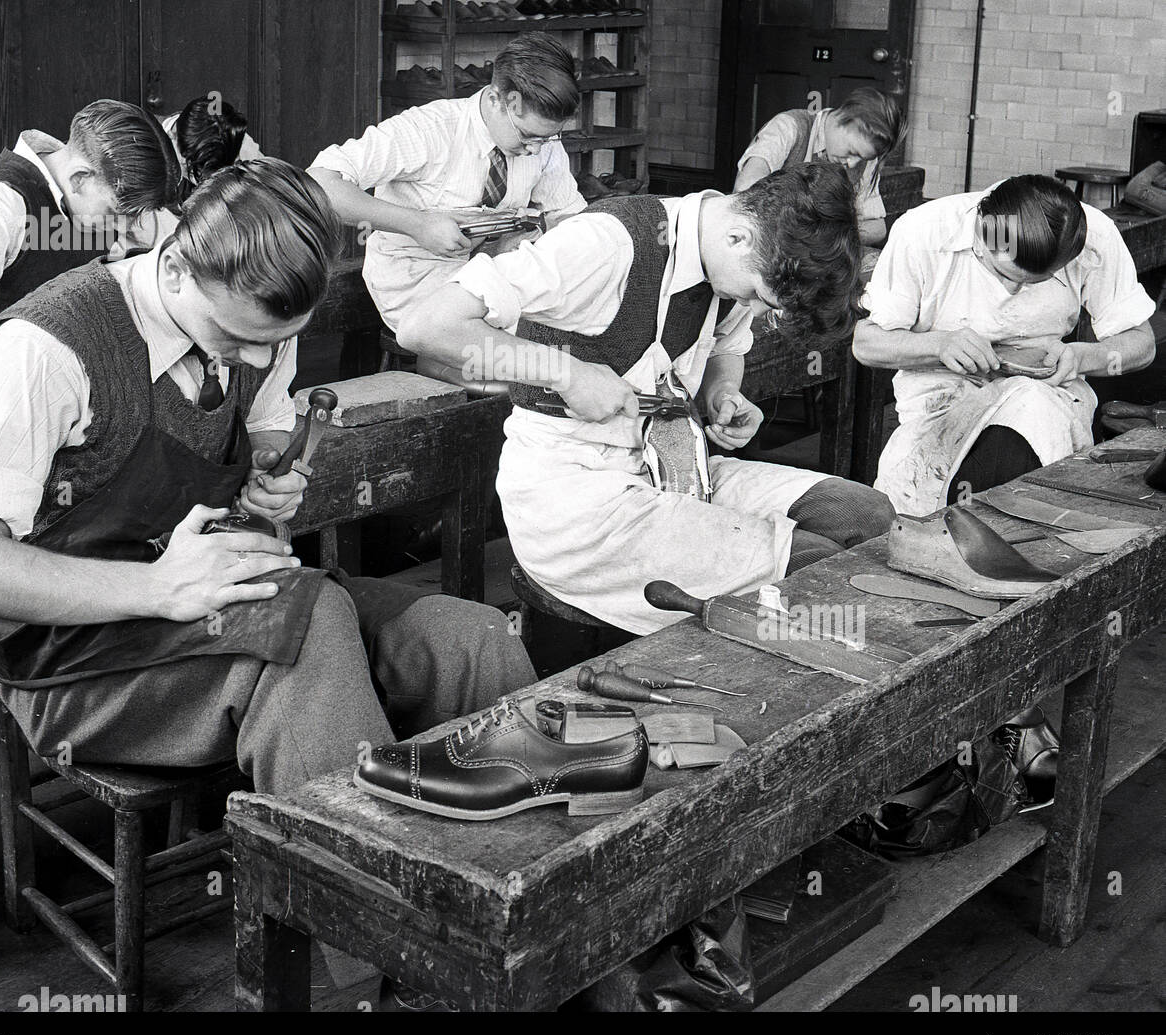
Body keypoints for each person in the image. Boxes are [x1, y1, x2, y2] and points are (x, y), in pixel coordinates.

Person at [0, 160, 534, 796]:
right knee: (310, 627)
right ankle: (355, 877)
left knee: (473, 642)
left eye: (280, 340)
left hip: (222, 599)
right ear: (178, 266)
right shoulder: (45, 349)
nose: (262, 359)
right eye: (239, 338)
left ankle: (507, 872)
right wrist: (160, 588)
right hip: (70, 657)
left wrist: (264, 470)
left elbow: (262, 430)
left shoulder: (257, 323)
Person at [398, 162, 896, 636]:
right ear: (739, 236)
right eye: (757, 295)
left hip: (678, 471)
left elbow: (727, 350)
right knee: (812, 574)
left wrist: (724, 393)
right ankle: (788, 693)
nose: (749, 306)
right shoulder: (605, 241)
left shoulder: (736, 259)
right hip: (576, 498)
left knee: (867, 517)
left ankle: (840, 650)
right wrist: (565, 373)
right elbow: (426, 326)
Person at [852, 174, 1155, 516]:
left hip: (1048, 396)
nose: (1012, 292)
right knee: (922, 507)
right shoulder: (925, 231)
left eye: (1032, 283)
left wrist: (1083, 356)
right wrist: (939, 345)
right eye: (1005, 275)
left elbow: (1142, 344)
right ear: (981, 234)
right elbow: (866, 345)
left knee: (1031, 422)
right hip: (941, 403)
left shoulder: (1094, 238)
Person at [307, 32, 586, 335]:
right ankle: (447, 366)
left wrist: (547, 236)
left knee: (577, 316)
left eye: (548, 138)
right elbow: (319, 184)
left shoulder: (542, 141)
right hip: (417, 279)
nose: (535, 149)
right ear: (496, 100)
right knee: (530, 338)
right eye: (528, 136)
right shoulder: (430, 130)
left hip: (492, 271)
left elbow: (567, 214)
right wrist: (418, 224)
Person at [0, 100, 181, 378]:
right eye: (117, 212)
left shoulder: (91, 197)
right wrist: (67, 378)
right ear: (79, 178)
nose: (126, 227)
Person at [735, 88, 907, 264]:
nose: (853, 163)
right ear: (843, 117)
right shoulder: (789, 126)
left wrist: (825, 235)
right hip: (756, 257)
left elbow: (877, 228)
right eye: (852, 151)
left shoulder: (864, 157)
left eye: (862, 157)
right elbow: (745, 189)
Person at [160, 93, 262, 192]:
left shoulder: (237, 143)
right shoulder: (147, 147)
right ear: (171, 136)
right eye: (191, 171)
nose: (201, 181)